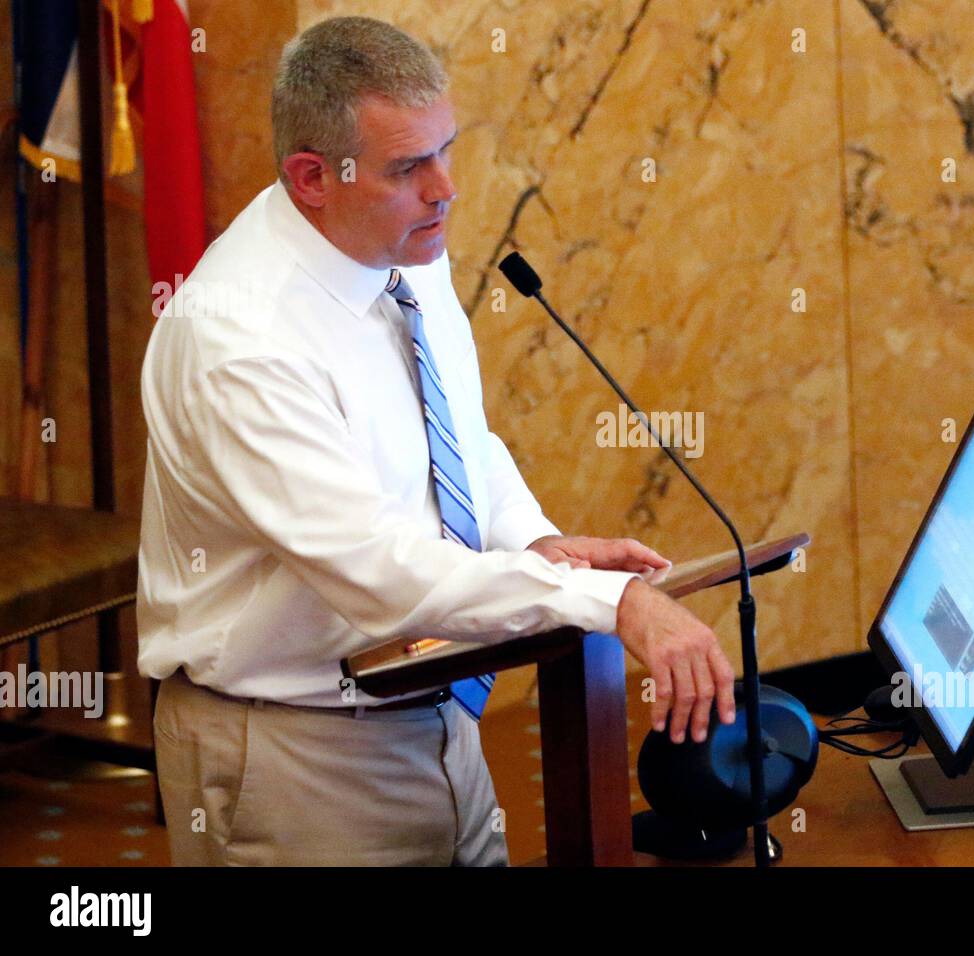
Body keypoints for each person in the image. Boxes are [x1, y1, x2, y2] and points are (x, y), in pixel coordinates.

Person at [137, 15, 735, 866]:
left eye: (446, 149)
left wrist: (535, 544)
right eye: (409, 166)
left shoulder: (401, 243)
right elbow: (376, 571)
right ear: (312, 176)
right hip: (295, 754)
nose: (445, 186)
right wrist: (615, 604)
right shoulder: (238, 340)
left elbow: (456, 436)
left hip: (438, 712)